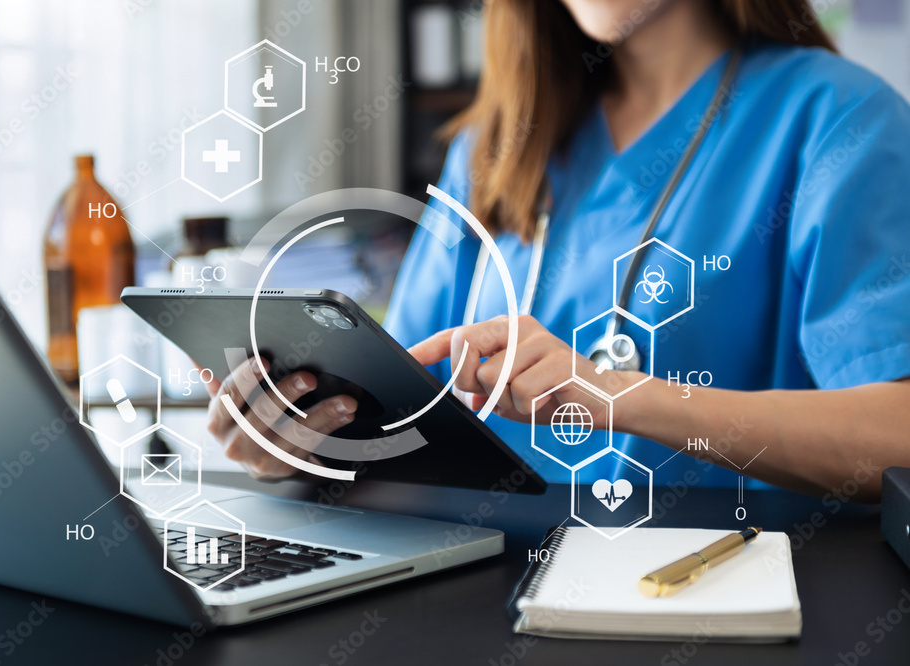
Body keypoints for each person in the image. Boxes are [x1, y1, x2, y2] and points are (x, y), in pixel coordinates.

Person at [207, 0, 910, 502]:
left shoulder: (841, 120)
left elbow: (897, 436)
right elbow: (398, 415)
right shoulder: (489, 149)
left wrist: (624, 399)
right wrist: (302, 444)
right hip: (470, 593)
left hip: (708, 594)